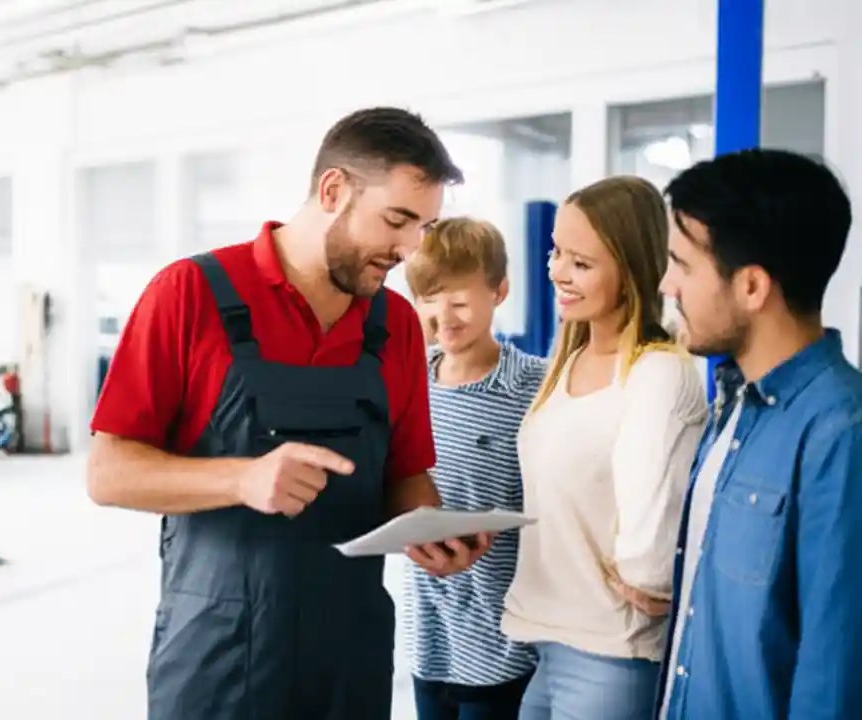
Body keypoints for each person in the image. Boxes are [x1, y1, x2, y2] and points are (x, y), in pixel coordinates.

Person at [86, 107, 492, 720]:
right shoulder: (189, 294)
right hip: (215, 657)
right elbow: (109, 474)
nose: (409, 250)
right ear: (333, 190)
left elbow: (406, 477)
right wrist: (241, 479)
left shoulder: (398, 324)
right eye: (397, 220)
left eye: (424, 227)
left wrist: (430, 527)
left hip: (349, 658)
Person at [655, 149, 862, 720]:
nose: (667, 284)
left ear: (751, 286)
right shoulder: (731, 408)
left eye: (683, 265)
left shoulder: (842, 432)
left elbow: (834, 673)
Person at [500, 176, 708, 719]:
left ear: (632, 269)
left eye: (581, 263)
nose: (557, 272)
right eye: (555, 252)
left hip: (610, 651)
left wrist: (651, 581)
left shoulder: (656, 372)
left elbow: (653, 532)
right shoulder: (566, 362)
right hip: (547, 639)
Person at [400, 217, 545, 720]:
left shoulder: (536, 384)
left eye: (459, 302)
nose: (443, 317)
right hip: (429, 635)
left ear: (499, 291)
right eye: (429, 300)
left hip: (503, 638)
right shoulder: (408, 379)